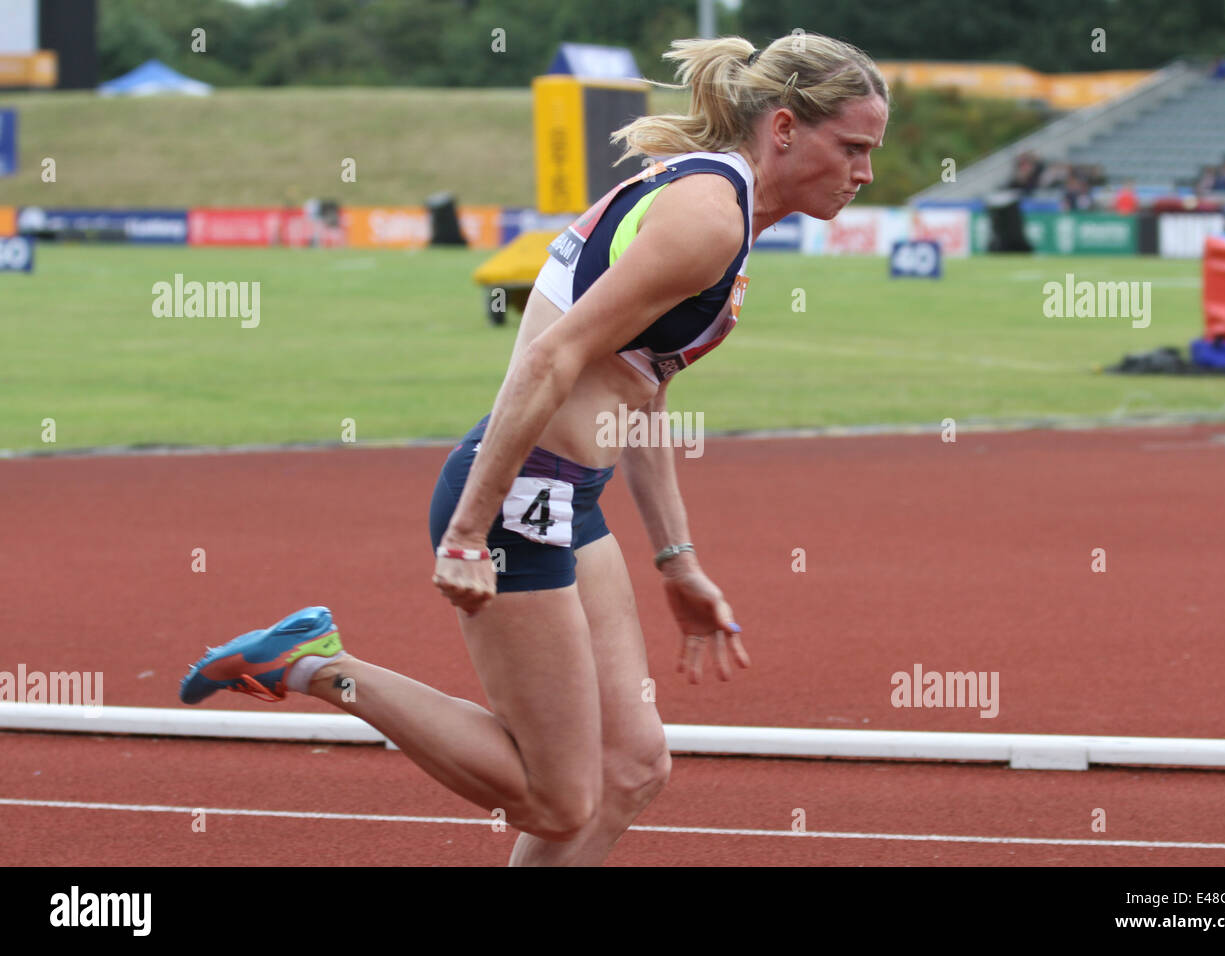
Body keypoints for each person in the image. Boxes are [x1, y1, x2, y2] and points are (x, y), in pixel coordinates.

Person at [178, 32, 890, 866]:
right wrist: (468, 531)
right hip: (520, 496)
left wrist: (677, 558)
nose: (865, 173)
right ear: (781, 128)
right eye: (852, 148)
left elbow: (642, 389)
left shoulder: (719, 207)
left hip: (563, 498)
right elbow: (547, 357)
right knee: (556, 800)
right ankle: (314, 667)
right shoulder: (707, 215)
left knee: (631, 767)